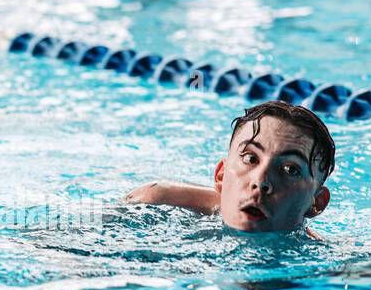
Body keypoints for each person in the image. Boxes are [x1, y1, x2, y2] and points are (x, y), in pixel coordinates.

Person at [124, 100, 334, 235]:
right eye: (251, 158)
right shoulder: (158, 202)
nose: (260, 182)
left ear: (317, 203)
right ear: (221, 176)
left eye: (290, 170)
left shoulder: (325, 263)